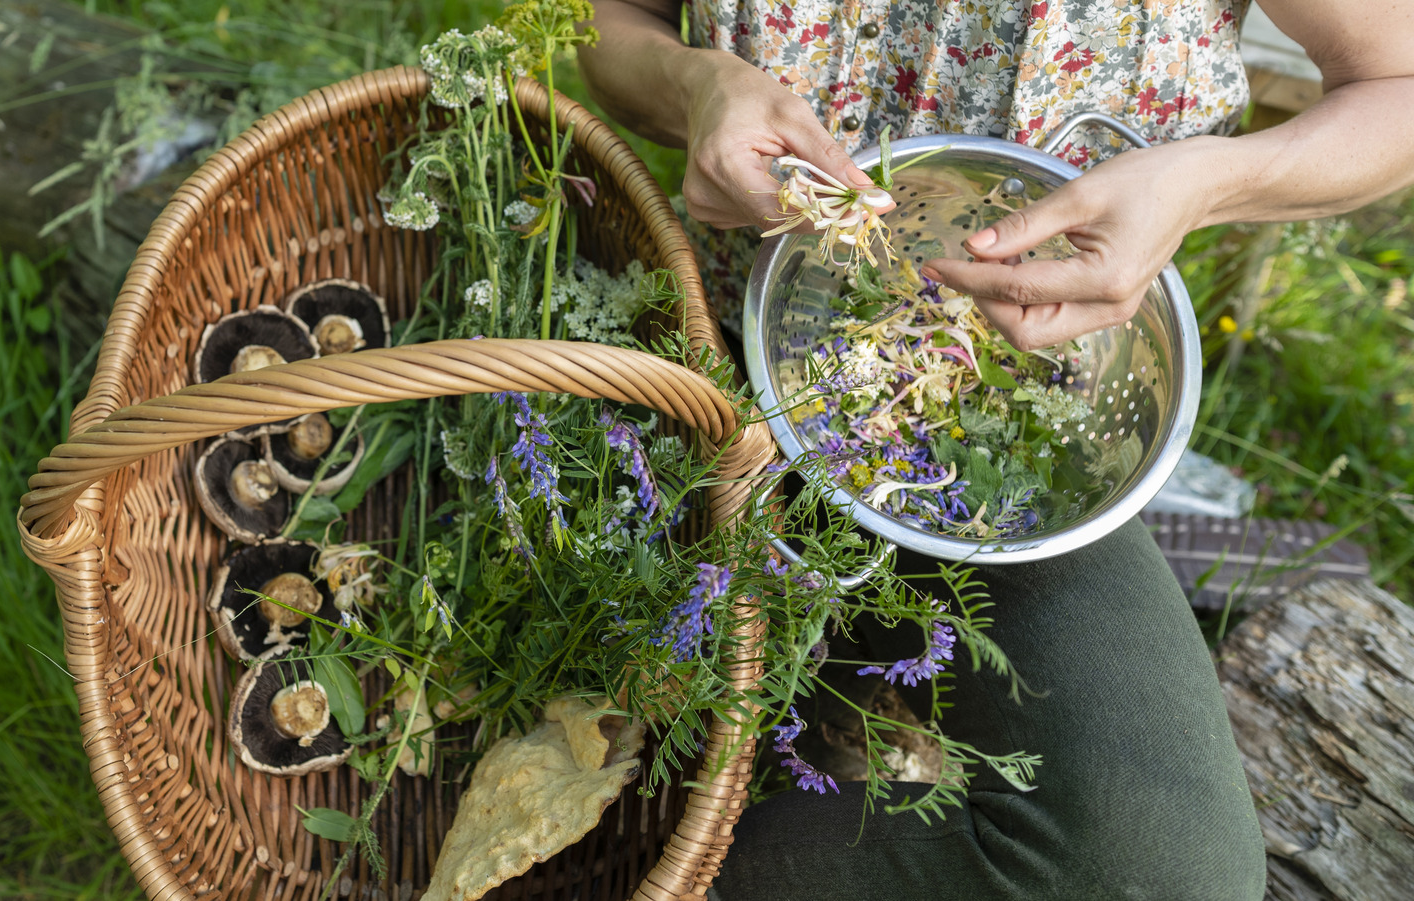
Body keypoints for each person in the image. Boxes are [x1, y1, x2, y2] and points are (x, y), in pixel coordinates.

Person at [579, 2, 1414, 898]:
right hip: (707, 363)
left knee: (1162, 869)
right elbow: (608, 24)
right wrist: (695, 83)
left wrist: (1206, 180)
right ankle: (627, 850)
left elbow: (1396, 89)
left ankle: (688, 870)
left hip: (1012, 451)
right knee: (580, 718)